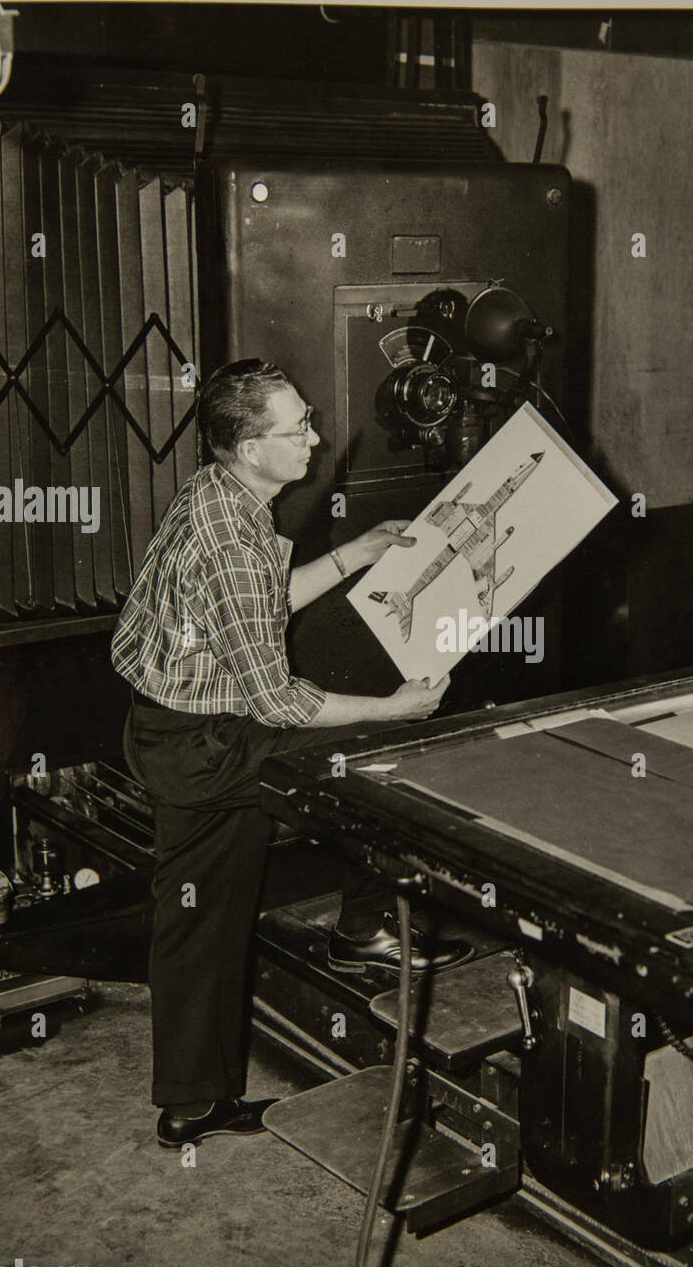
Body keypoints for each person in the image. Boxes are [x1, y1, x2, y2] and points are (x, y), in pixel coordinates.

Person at [111, 358, 471, 1149]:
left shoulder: (216, 496)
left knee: (202, 919)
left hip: (176, 726)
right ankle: (365, 928)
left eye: (308, 418)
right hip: (207, 745)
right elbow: (279, 703)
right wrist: (393, 705)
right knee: (393, 738)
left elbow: (257, 602)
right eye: (297, 428)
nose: (316, 436)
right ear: (247, 447)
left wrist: (356, 554)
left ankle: (192, 1102)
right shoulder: (231, 537)